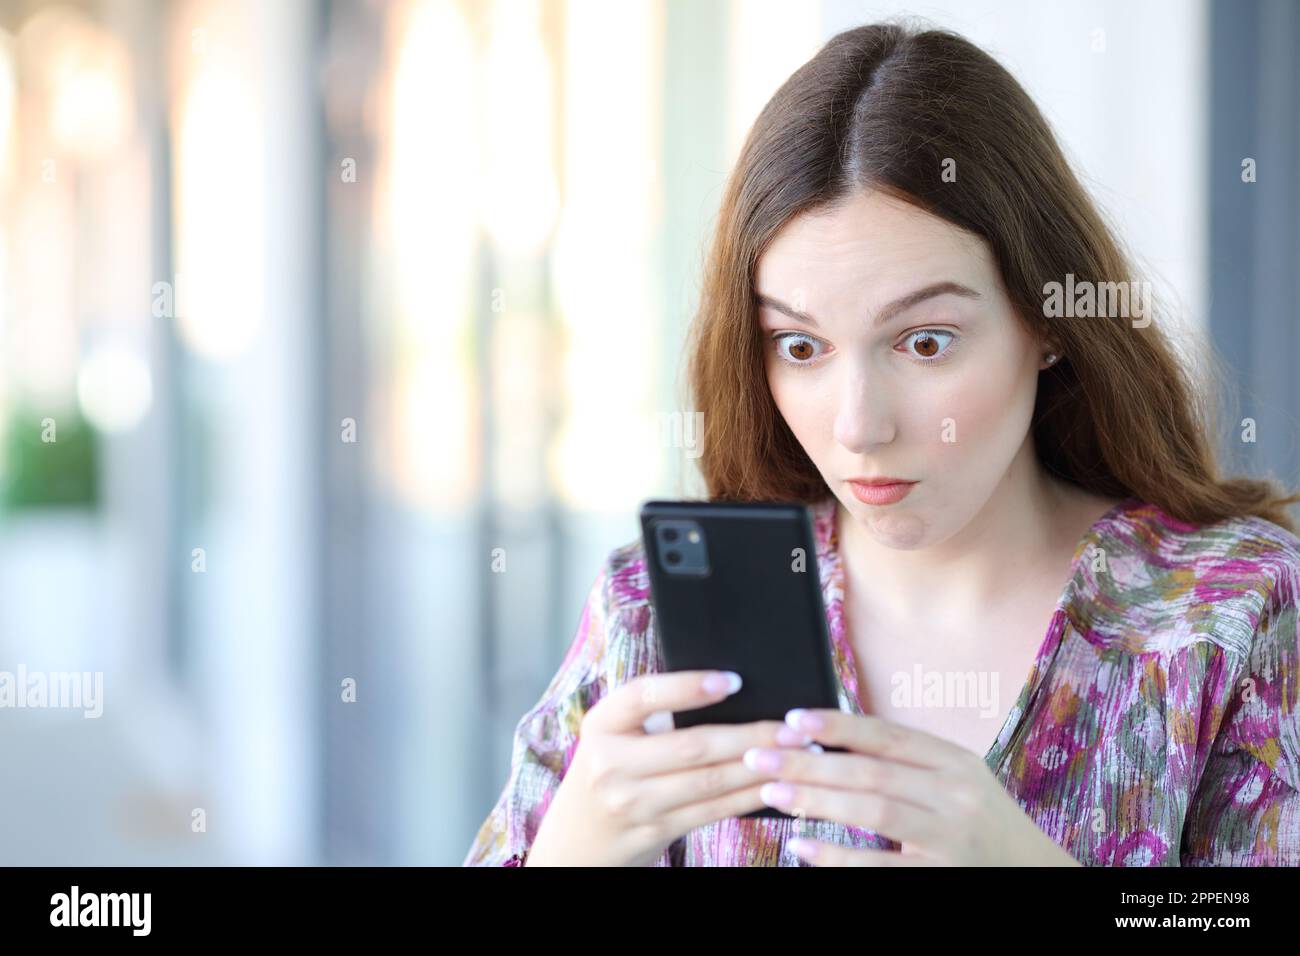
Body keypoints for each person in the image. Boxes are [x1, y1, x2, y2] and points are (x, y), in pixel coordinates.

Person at [463, 20, 1300, 866]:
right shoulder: (650, 622)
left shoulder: (1229, 614)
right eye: (800, 346)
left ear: (1048, 320)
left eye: (925, 342)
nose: (859, 425)